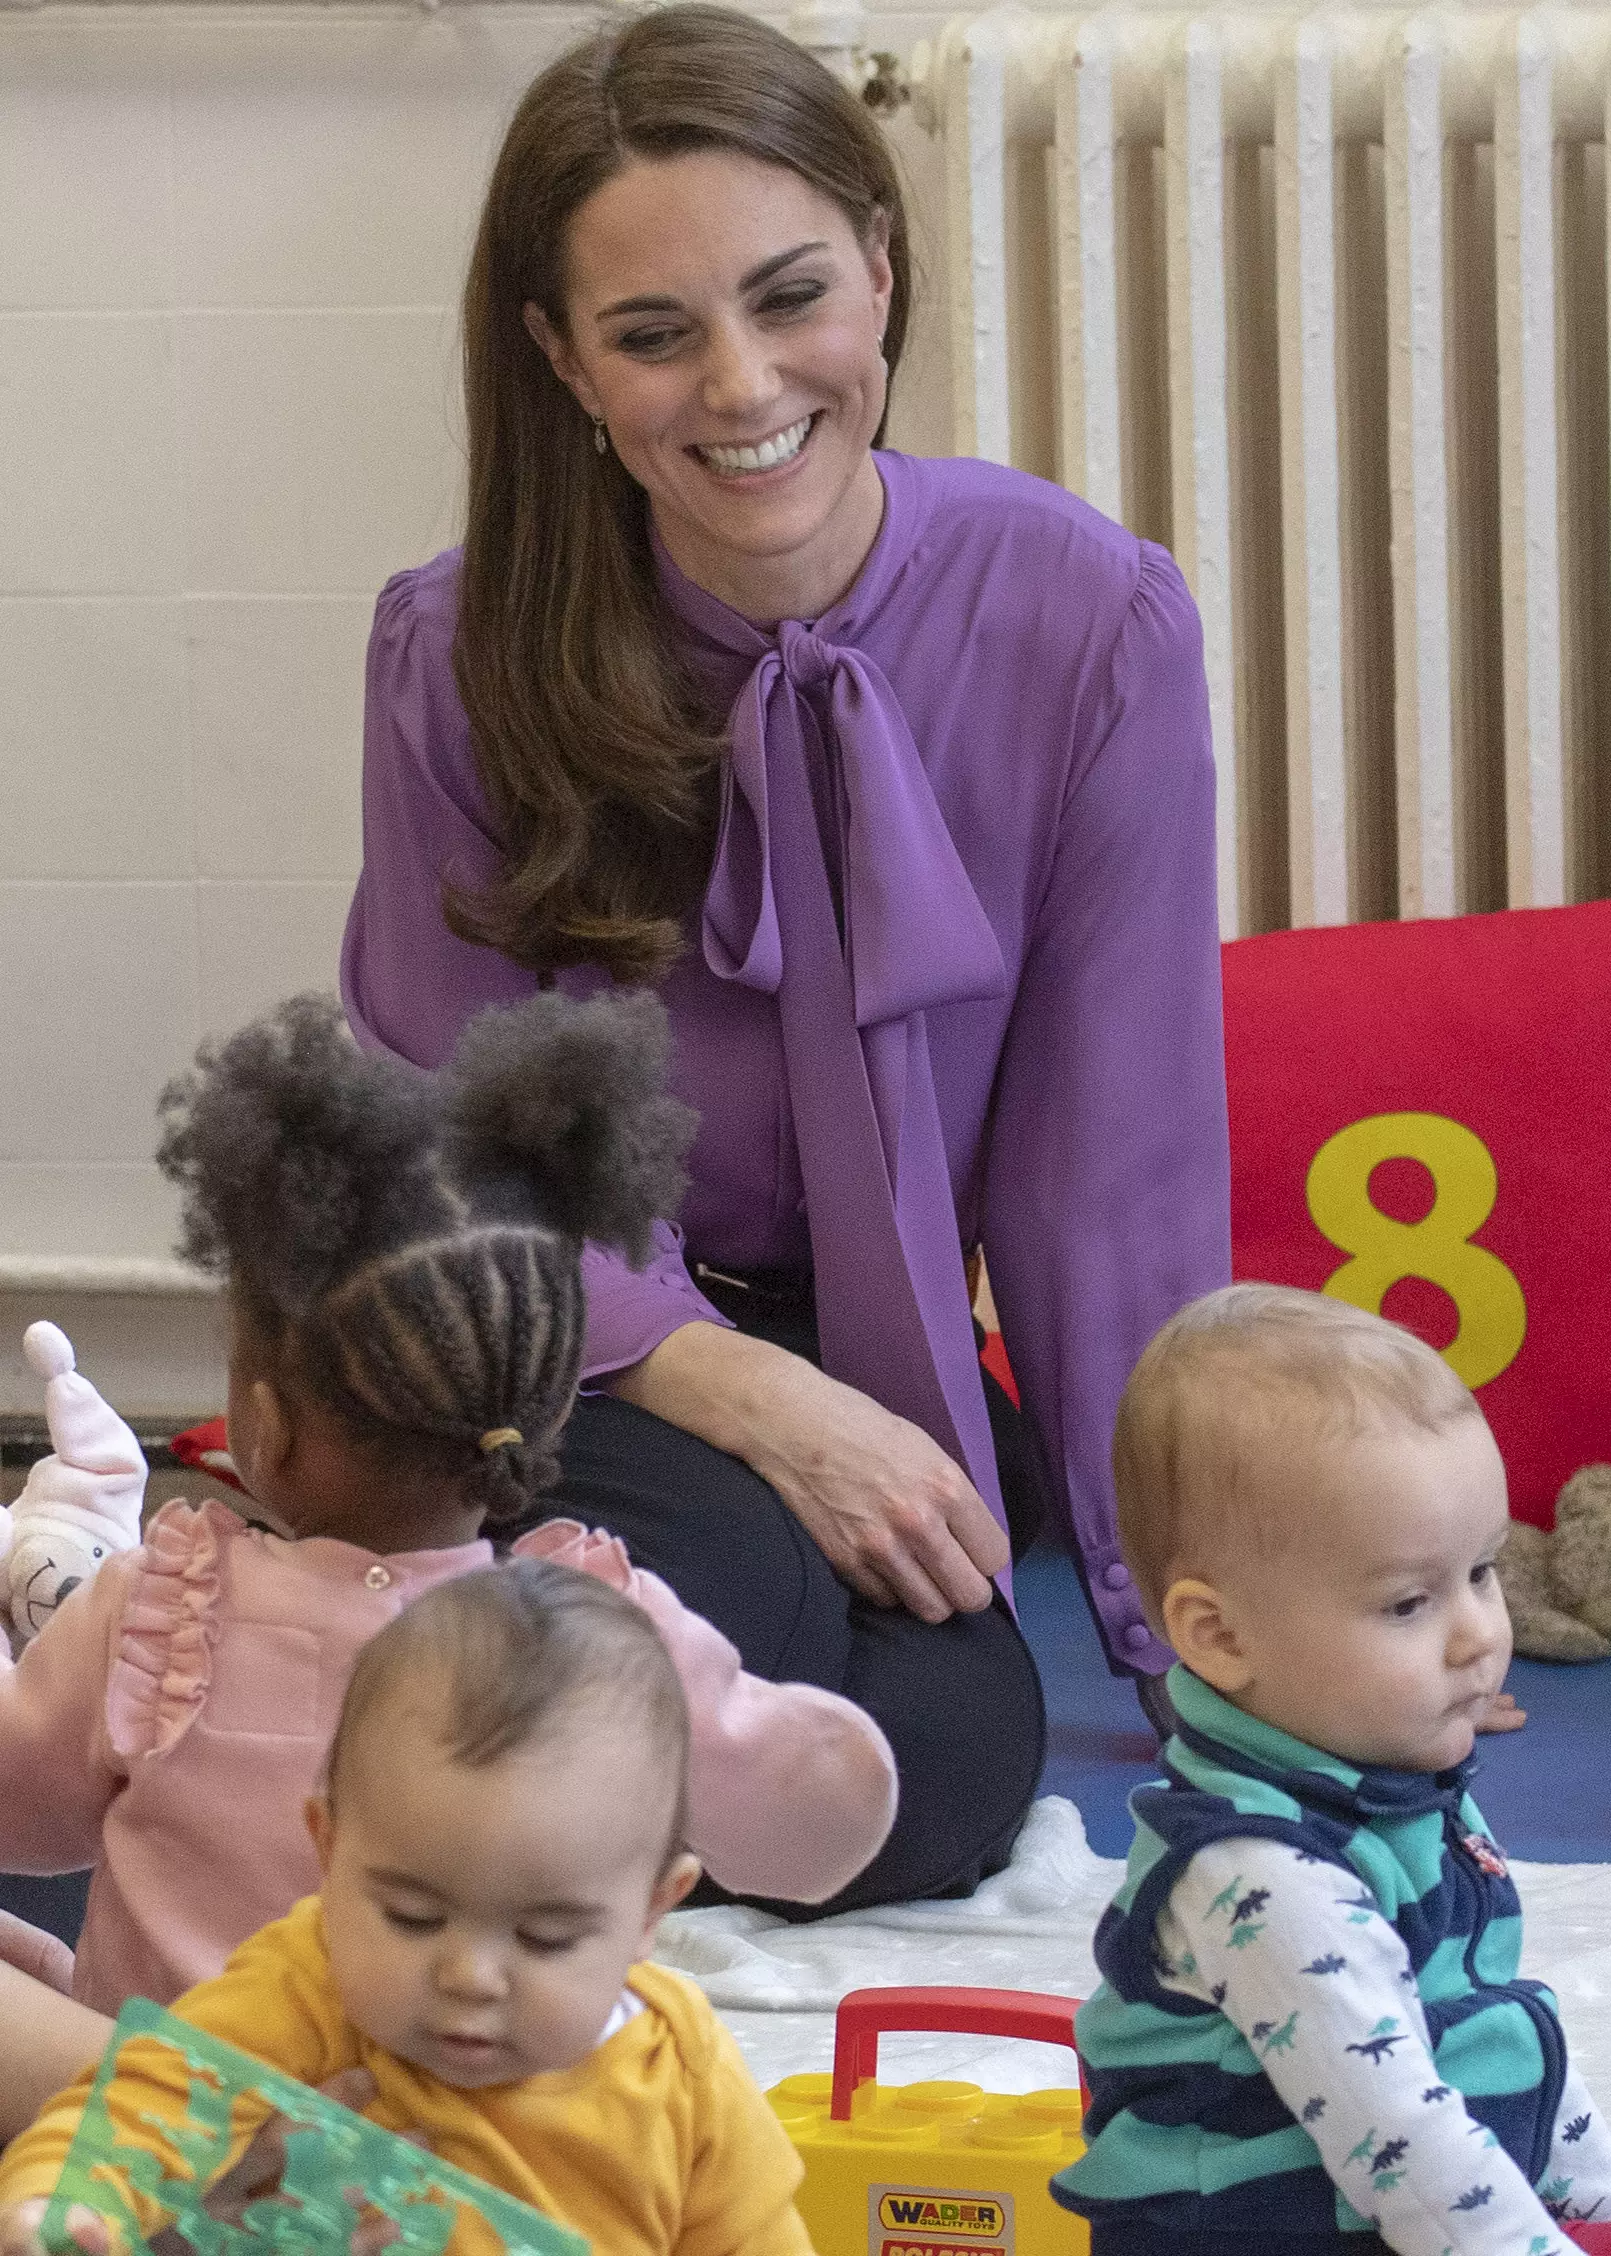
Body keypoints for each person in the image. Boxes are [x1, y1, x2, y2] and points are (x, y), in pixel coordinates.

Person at [340, 0, 1233, 1872]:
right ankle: (322, 1683)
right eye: (653, 334)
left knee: (952, 1768)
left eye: (790, 295)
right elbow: (471, 1136)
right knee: (730, 1569)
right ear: (565, 364)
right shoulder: (458, 650)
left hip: (865, 1329)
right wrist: (740, 1385)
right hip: (567, 1320)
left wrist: (1201, 1645)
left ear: (884, 272)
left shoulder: (1094, 623)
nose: (741, 387)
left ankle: (488, 1765)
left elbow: (1107, 1180)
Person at [0, 989, 895, 2015]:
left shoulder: (156, 1616)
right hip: (497, 2159)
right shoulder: (606, 1640)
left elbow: (19, 1809)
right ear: (549, 1403)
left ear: (264, 1422)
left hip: (194, 2151)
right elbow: (818, 1834)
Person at [0, 1560, 815, 2256]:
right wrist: (66, 2203)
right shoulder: (306, 1986)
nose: (468, 1975)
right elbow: (148, 2101)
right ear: (328, 1848)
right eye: (413, 1918)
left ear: (650, 1913)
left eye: (546, 1937)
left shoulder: (680, 2067)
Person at [1053, 1285, 1611, 2256]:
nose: (1480, 1634)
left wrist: (1594, 2201)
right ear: (1221, 1636)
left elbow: (1495, 2028)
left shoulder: (1407, 1799)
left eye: (1482, 1573)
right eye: (1407, 1604)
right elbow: (1401, 2139)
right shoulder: (1256, 1877)